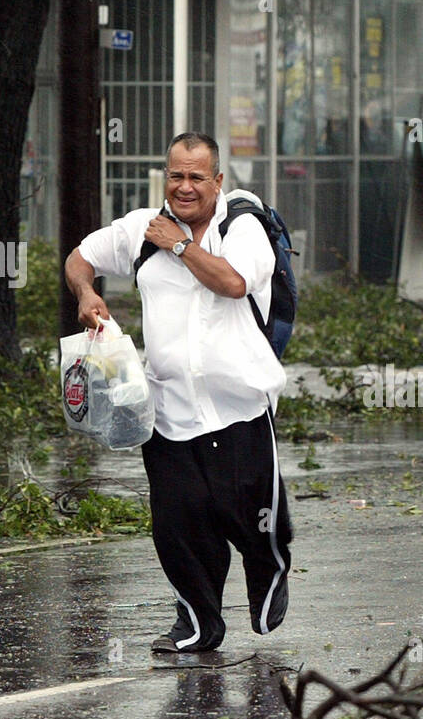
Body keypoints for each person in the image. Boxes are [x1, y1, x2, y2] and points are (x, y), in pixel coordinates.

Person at [64, 132, 292, 654]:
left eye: (195, 177)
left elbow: (233, 284)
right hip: (165, 408)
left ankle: (270, 572)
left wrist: (179, 244)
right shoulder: (140, 230)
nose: (184, 187)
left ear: (217, 181)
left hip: (239, 405)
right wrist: (87, 291)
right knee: (178, 522)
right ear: (163, 177)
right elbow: (81, 256)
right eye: (175, 176)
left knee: (250, 513)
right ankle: (197, 622)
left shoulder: (243, 227)